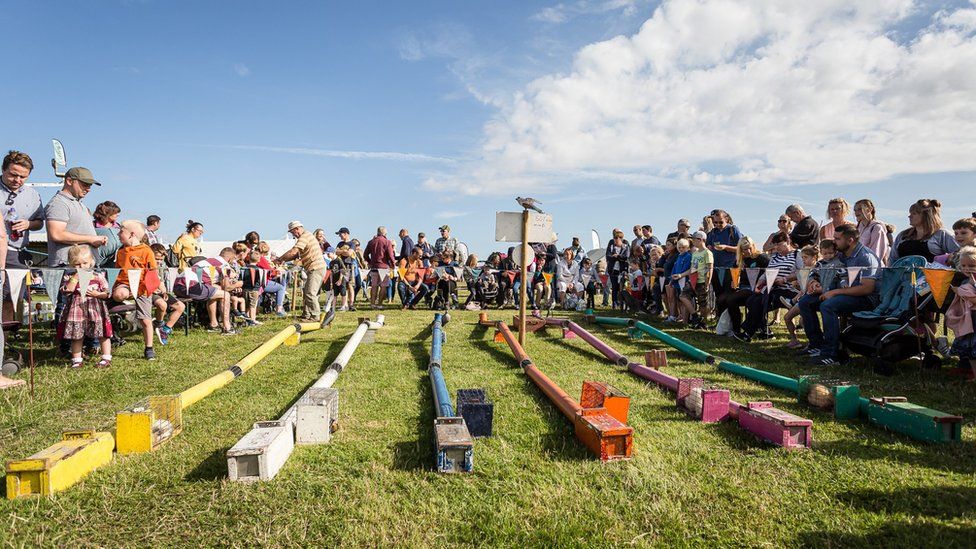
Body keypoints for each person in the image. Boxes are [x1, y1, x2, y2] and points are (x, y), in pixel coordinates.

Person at [797, 223, 881, 365]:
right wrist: (813, 281)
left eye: (837, 239)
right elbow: (819, 267)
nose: (834, 242)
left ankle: (832, 354)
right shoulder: (840, 255)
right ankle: (816, 345)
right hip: (844, 294)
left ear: (850, 240)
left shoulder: (866, 257)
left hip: (866, 299)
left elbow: (867, 288)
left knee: (828, 305)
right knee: (805, 302)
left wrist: (835, 292)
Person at [737, 233, 800, 341]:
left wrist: (785, 279)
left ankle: (748, 333)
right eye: (775, 245)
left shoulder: (797, 255)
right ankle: (763, 330)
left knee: (758, 302)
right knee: (751, 300)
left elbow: (802, 272)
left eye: (779, 244)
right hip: (772, 287)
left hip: (788, 289)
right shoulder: (775, 256)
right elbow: (768, 272)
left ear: (788, 242)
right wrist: (760, 282)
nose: (776, 247)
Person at [112, 220, 160, 360]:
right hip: (125, 284)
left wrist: (152, 287)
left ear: (132, 234)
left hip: (142, 287)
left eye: (121, 231)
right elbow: (116, 271)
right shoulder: (120, 251)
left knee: (145, 320)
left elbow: (152, 271)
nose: (118, 234)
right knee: (119, 294)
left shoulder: (146, 251)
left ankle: (149, 348)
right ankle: (127, 306)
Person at [58, 245, 113, 368]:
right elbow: (67, 290)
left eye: (84, 263)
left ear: (91, 262)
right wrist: (75, 278)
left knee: (102, 333)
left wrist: (98, 294)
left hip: (95, 309)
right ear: (71, 264)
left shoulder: (98, 276)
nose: (81, 267)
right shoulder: (69, 277)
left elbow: (107, 293)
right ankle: (77, 360)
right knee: (76, 335)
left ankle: (106, 357)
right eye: (77, 264)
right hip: (76, 310)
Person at [45, 167, 106, 267]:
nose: (88, 189)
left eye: (90, 186)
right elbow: (57, 234)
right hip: (68, 267)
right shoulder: (59, 203)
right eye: (85, 184)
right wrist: (91, 239)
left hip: (81, 266)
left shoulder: (79, 204)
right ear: (69, 181)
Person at [173, 248, 237, 335]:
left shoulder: (207, 261)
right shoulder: (224, 265)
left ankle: (214, 325)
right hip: (192, 286)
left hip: (178, 286)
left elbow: (211, 285)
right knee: (226, 295)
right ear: (230, 258)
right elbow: (226, 287)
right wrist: (238, 284)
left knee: (216, 292)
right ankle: (227, 328)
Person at [714, 237, 769, 336]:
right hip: (742, 288)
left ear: (753, 246)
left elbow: (770, 273)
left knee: (731, 299)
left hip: (757, 289)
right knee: (721, 299)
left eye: (749, 248)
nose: (748, 251)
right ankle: (728, 326)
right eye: (745, 249)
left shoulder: (762, 257)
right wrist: (733, 281)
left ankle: (737, 328)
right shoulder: (739, 260)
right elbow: (734, 275)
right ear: (740, 249)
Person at [277, 221, 329, 321]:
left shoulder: (304, 236)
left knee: (310, 293)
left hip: (316, 268)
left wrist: (279, 259)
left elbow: (294, 251)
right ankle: (306, 315)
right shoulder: (306, 236)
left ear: (296, 229)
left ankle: (315, 316)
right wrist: (282, 259)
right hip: (315, 268)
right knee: (306, 292)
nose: (293, 235)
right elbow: (295, 255)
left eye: (292, 232)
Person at [1, 151, 44, 268]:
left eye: (23, 177)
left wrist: (28, 224)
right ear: (3, 169)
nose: (17, 180)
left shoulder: (33, 195)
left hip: (18, 255)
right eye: (13, 175)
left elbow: (40, 223)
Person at [890, 199, 959, 263]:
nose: (909, 216)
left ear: (926, 215)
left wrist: (947, 260)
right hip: (902, 272)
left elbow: (960, 254)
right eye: (910, 213)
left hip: (931, 272)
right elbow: (892, 259)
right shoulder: (903, 235)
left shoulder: (941, 234)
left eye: (914, 213)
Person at [946, 246, 976, 380]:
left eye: (972, 265)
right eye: (963, 266)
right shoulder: (964, 281)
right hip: (969, 319)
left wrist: (961, 291)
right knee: (970, 350)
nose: (967, 269)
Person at [783, 245, 820, 349]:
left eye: (806, 257)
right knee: (787, 318)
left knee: (802, 321)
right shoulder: (804, 269)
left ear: (814, 257)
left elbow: (813, 288)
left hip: (810, 299)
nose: (803, 259)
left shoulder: (818, 269)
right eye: (802, 257)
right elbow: (803, 287)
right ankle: (795, 340)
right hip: (803, 298)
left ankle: (814, 342)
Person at [149, 243, 186, 344]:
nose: (159, 261)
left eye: (161, 259)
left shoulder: (160, 268)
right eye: (156, 259)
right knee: (162, 304)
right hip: (148, 292)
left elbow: (161, 282)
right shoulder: (146, 267)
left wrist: (164, 291)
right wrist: (152, 290)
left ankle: (165, 329)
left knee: (181, 306)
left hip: (158, 292)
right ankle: (159, 324)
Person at [706, 209, 741, 304]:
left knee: (729, 295)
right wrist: (708, 248)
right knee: (719, 295)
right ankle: (721, 313)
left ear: (726, 219)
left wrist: (726, 247)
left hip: (731, 267)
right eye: (715, 222)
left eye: (720, 222)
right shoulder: (712, 232)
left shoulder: (732, 229)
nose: (718, 224)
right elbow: (708, 247)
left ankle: (731, 313)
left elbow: (741, 248)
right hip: (716, 268)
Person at [363, 226, 395, 308]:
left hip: (374, 267)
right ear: (385, 233)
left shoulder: (371, 242)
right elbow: (391, 255)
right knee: (383, 286)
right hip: (383, 267)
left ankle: (372, 304)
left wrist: (370, 262)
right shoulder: (387, 242)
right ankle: (379, 304)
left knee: (374, 286)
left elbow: (365, 255)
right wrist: (393, 265)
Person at [688, 232, 713, 329]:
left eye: (694, 239)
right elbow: (693, 268)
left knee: (703, 302)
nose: (692, 241)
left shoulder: (707, 252)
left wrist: (708, 282)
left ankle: (703, 323)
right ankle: (696, 317)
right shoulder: (695, 253)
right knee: (683, 296)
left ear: (700, 239)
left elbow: (710, 268)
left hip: (703, 281)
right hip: (694, 281)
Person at [257, 241, 288, 316]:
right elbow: (270, 271)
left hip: (259, 280)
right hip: (261, 282)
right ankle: (279, 309)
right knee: (281, 287)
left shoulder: (255, 256)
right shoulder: (261, 258)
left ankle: (280, 306)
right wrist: (277, 271)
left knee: (282, 282)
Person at [853, 199, 890, 264]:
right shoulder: (857, 228)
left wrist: (869, 263)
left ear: (869, 209)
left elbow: (876, 252)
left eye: (859, 209)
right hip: (856, 265)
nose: (856, 212)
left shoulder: (877, 228)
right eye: (855, 210)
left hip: (871, 266)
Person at [669, 238, 693, 323]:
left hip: (684, 279)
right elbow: (675, 268)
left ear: (687, 248)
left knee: (684, 299)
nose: (681, 249)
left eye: (683, 247)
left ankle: (685, 320)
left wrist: (680, 275)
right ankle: (682, 316)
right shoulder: (679, 256)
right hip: (677, 280)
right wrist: (672, 278)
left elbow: (687, 268)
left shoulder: (688, 256)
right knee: (679, 299)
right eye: (679, 247)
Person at [92, 201, 122, 267]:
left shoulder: (119, 227)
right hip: (96, 260)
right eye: (115, 213)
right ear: (107, 213)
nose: (118, 215)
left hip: (113, 262)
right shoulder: (92, 226)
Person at [334, 227, 358, 310]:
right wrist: (344, 251)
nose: (339, 236)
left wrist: (342, 252)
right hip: (341, 266)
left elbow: (349, 253)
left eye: (340, 234)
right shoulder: (339, 243)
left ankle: (351, 304)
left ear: (345, 234)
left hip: (349, 266)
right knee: (343, 285)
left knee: (350, 285)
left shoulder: (352, 243)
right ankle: (344, 305)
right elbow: (336, 252)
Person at [240, 251, 265, 326]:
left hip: (245, 289)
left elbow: (241, 279)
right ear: (259, 260)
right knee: (253, 306)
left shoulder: (243, 269)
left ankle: (247, 319)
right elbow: (262, 281)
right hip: (254, 290)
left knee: (247, 305)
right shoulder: (260, 270)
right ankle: (253, 320)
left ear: (248, 258)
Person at [606, 229, 629, 308]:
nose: (615, 239)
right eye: (614, 238)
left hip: (622, 270)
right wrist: (619, 258)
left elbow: (626, 257)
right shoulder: (611, 246)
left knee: (622, 287)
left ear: (621, 239)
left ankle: (622, 303)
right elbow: (608, 256)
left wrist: (617, 256)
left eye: (616, 238)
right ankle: (614, 303)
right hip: (613, 270)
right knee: (614, 287)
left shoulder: (626, 247)